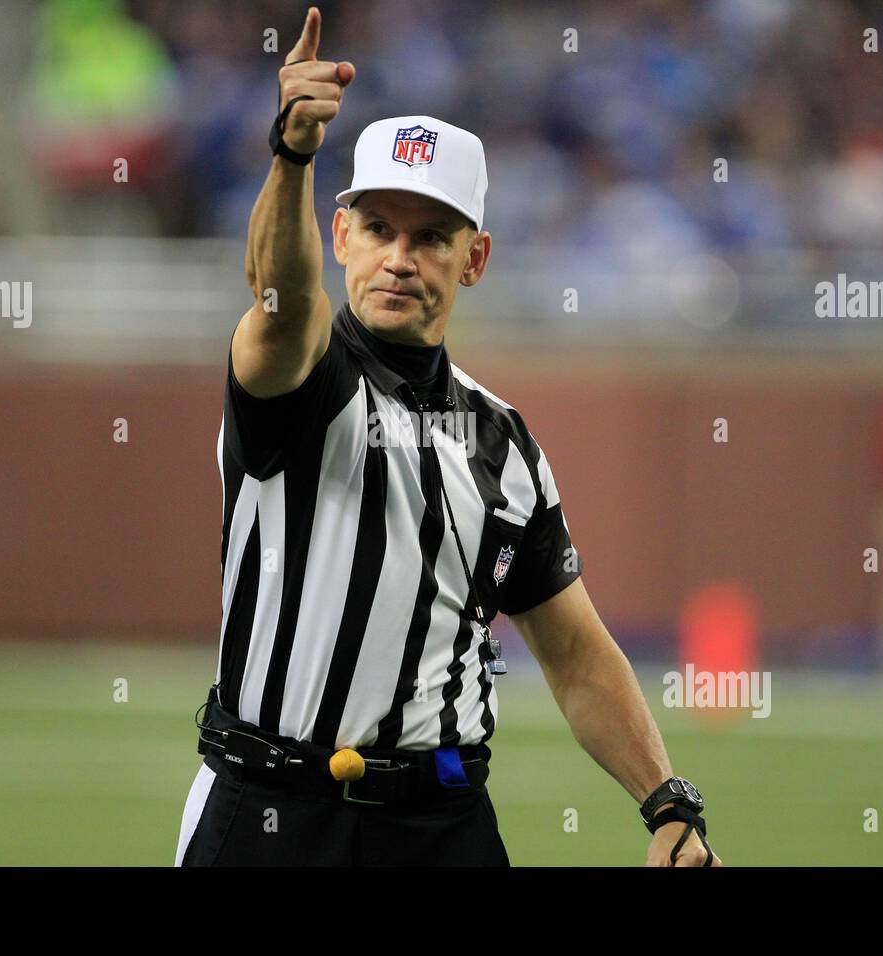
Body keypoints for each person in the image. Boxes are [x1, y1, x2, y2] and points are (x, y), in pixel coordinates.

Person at [176, 6, 721, 867]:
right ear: (341, 233)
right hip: (274, 813)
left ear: (475, 258)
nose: (400, 257)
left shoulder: (503, 442)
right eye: (381, 229)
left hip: (440, 826)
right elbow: (278, 303)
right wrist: (293, 157)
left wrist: (665, 801)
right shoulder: (303, 377)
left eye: (431, 237)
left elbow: (575, 655)